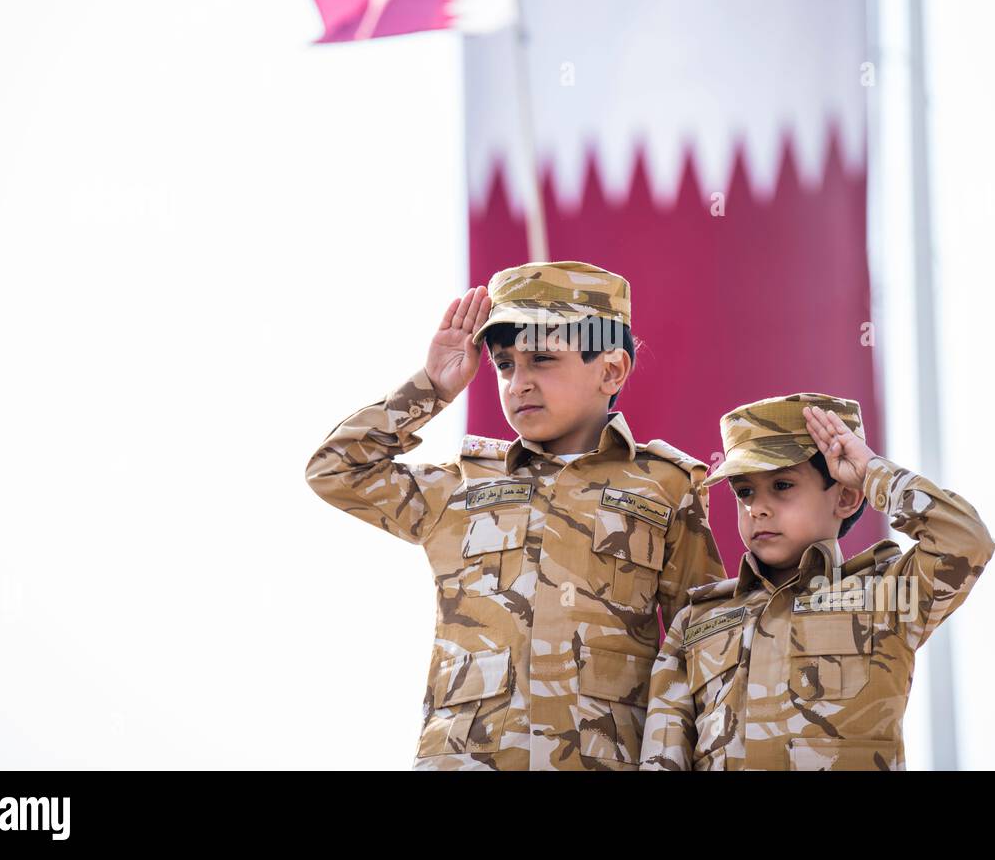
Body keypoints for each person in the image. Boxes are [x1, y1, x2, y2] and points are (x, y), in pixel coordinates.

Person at [305, 260, 726, 769]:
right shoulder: (462, 486)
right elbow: (336, 469)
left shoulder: (666, 486)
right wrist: (431, 389)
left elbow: (705, 645)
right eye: (504, 365)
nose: (517, 383)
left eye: (542, 359)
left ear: (611, 370)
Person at [638, 393, 995, 770]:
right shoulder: (697, 623)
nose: (757, 507)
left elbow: (966, 541)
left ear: (845, 497)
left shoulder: (886, 597)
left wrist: (873, 472)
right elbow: (663, 756)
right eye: (745, 492)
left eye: (782, 485)